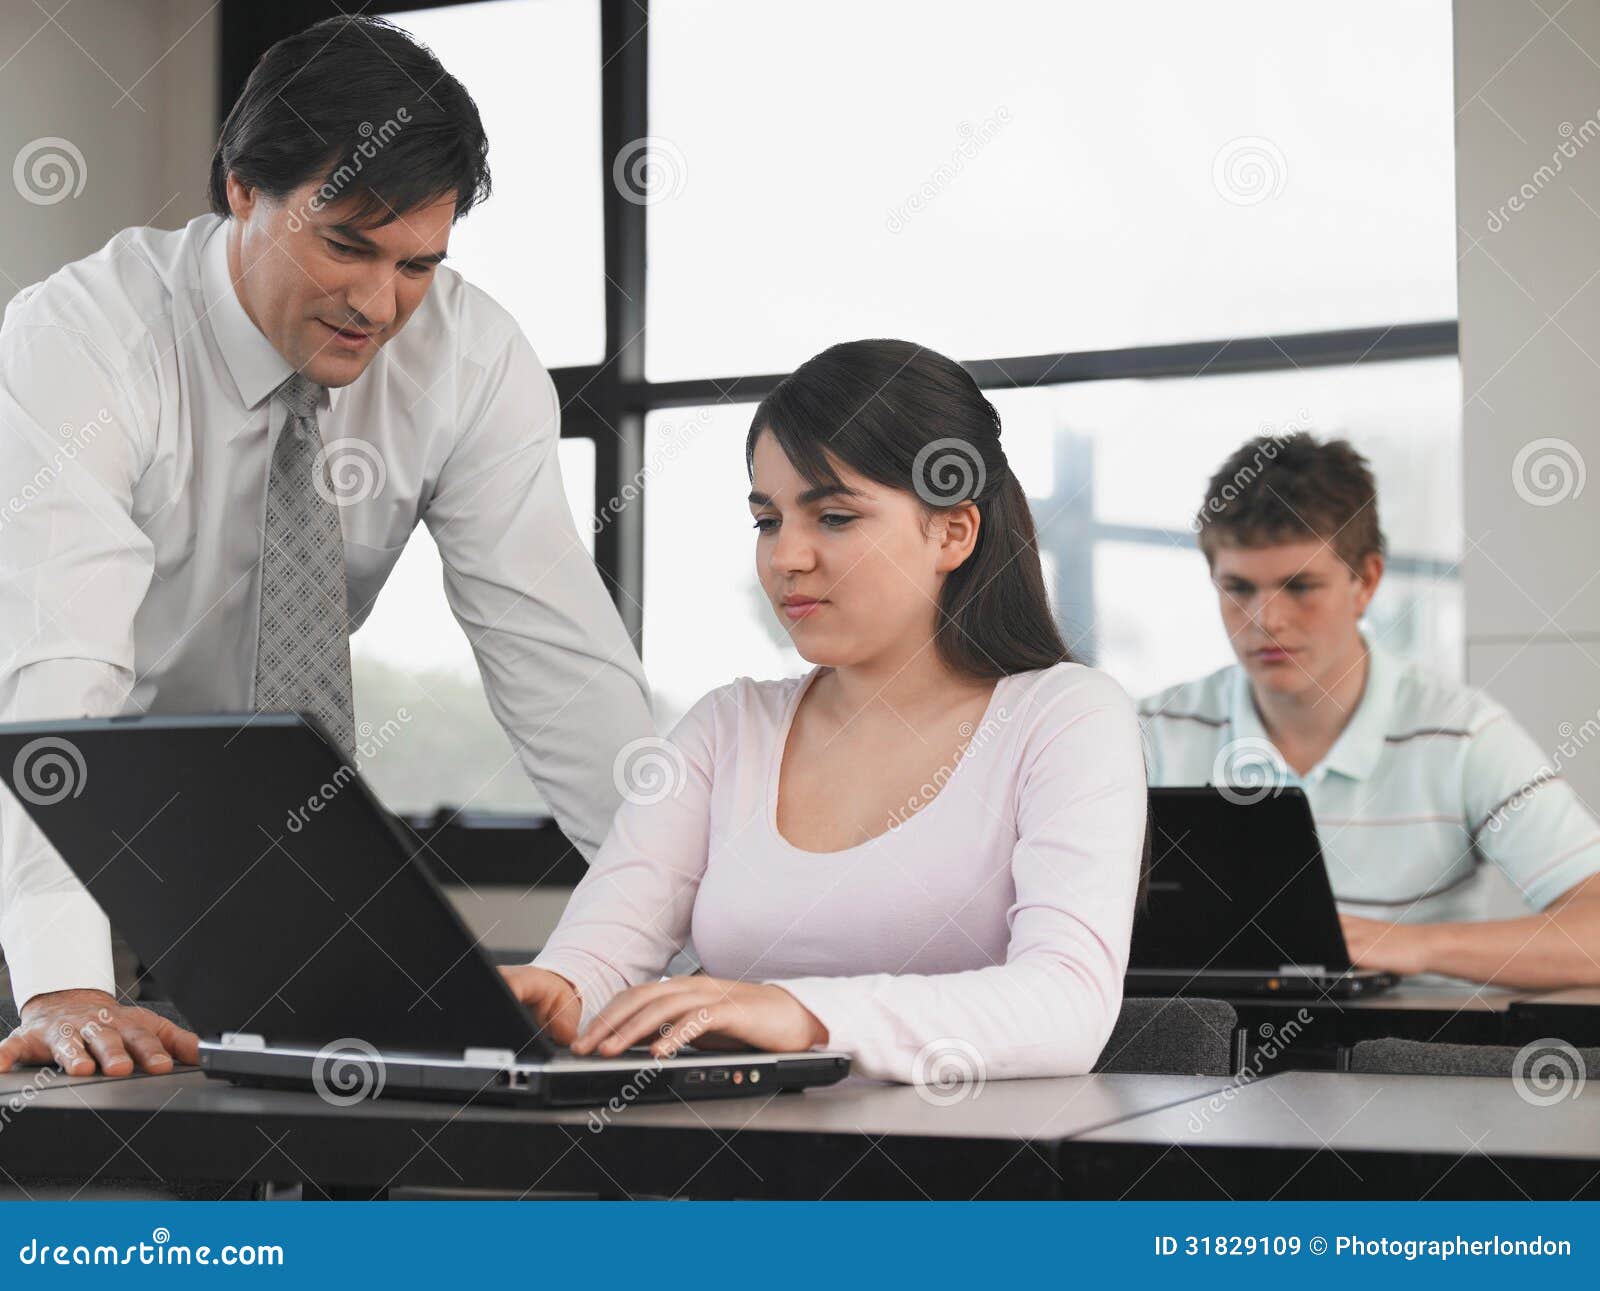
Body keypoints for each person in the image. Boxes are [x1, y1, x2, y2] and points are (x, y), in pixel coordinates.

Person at [0, 16, 652, 1076]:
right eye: (346, 243)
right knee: (82, 1158)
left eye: (416, 264)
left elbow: (564, 667)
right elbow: (55, 678)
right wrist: (66, 979)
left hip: (264, 834)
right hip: (42, 810)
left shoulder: (470, 357)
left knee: (336, 1145)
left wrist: (698, 930)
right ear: (241, 189)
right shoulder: (84, 341)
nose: (377, 303)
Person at [498, 340, 1147, 1083]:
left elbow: (1067, 1006)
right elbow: (600, 955)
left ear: (953, 530)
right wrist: (561, 990)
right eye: (766, 521)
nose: (786, 558)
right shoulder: (726, 728)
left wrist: (802, 1013)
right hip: (735, 1173)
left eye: (834, 517)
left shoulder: (1065, 716)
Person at [1140, 433, 1600, 988]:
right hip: (1199, 1057)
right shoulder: (1148, 734)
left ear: (1368, 582)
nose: (1266, 620)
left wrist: (1408, 944)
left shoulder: (1463, 735)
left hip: (1406, 1059)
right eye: (1238, 588)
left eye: (1300, 586)